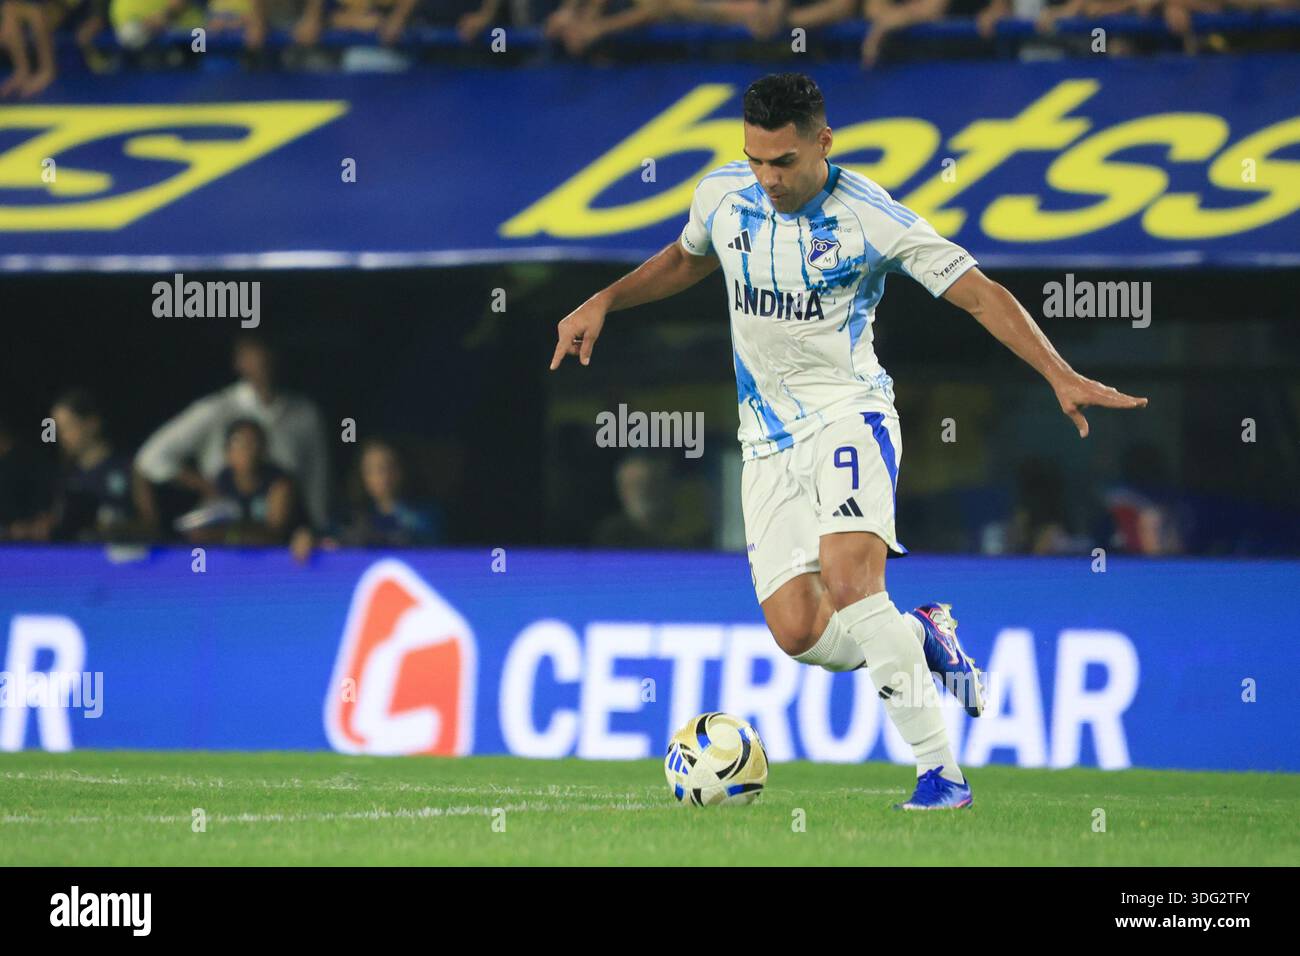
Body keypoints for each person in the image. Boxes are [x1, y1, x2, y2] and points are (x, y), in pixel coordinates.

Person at [551, 73, 1147, 810]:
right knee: (798, 632)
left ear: (822, 144)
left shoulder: (871, 217)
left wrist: (1059, 374)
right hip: (764, 438)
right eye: (756, 160)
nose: (768, 179)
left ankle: (942, 776)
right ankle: (922, 630)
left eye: (784, 163)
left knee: (851, 583)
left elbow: (979, 293)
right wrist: (605, 298)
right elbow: (688, 257)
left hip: (849, 416)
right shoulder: (722, 195)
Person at [135, 335, 331, 530]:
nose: (261, 361)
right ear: (238, 362)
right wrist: (207, 486)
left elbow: (317, 485)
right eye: (251, 354)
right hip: (223, 538)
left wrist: (319, 531)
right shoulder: (215, 409)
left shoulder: (306, 415)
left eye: (265, 352)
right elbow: (150, 458)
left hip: (284, 543)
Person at [187, 418, 301, 546]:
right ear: (227, 452)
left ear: (264, 449)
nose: (247, 450)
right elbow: (202, 525)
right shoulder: (222, 481)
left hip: (278, 557)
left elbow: (274, 534)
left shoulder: (279, 482)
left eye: (254, 443)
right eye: (239, 442)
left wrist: (227, 534)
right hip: (234, 559)